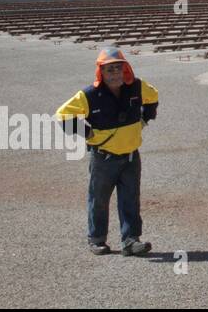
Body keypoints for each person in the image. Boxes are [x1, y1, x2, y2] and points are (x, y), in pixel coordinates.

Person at [56, 48, 160, 255]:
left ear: (125, 69)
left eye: (118, 68)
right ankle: (97, 240)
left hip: (131, 157)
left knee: (130, 198)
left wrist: (144, 120)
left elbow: (153, 97)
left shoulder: (137, 87)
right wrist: (87, 133)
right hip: (103, 158)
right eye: (109, 70)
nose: (114, 74)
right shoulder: (89, 95)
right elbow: (62, 115)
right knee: (99, 199)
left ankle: (131, 240)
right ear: (101, 72)